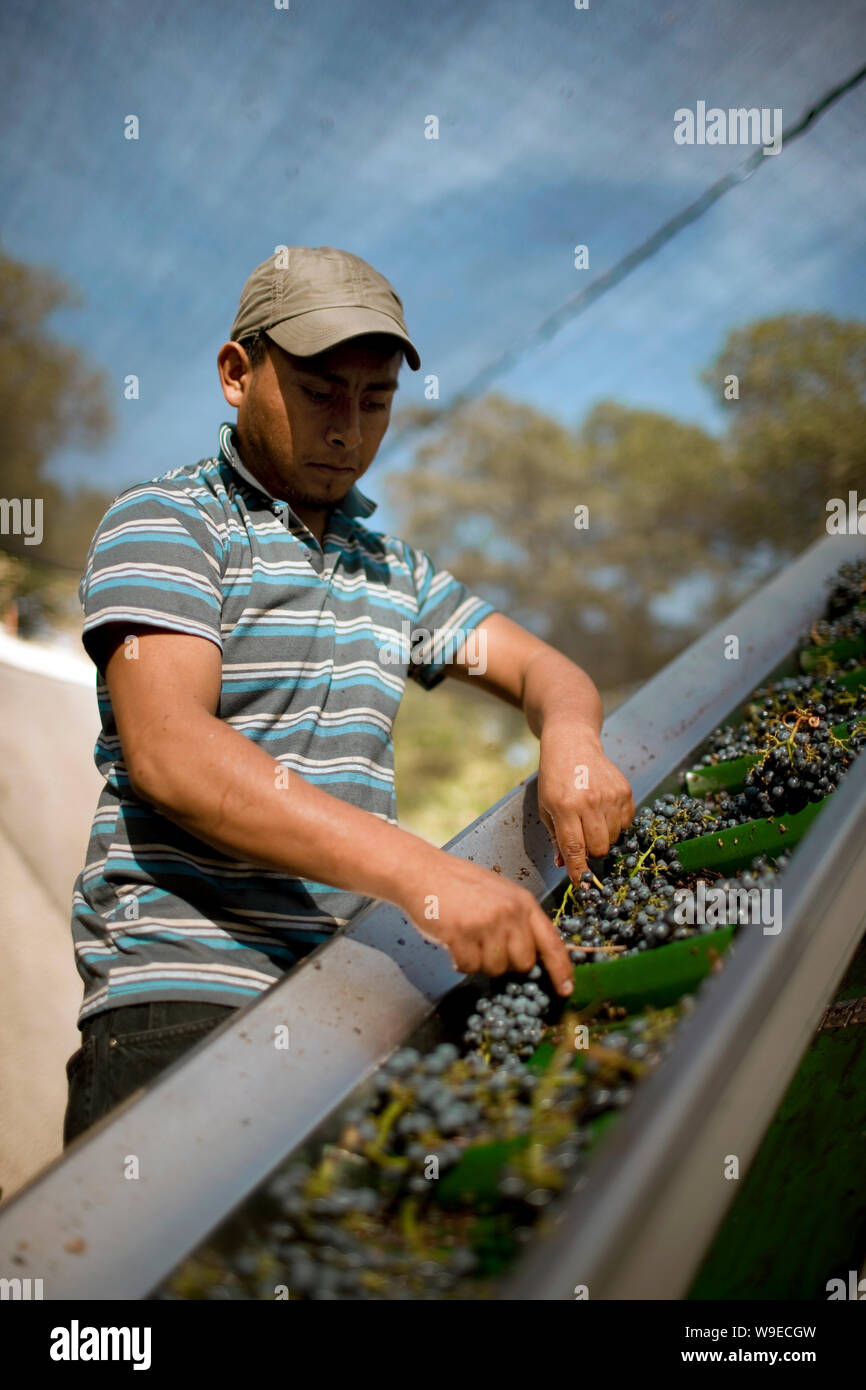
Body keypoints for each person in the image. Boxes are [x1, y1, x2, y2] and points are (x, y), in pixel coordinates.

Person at [63, 245, 634, 1145]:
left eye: (376, 403)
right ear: (236, 373)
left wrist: (572, 741)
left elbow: (546, 671)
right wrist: (426, 874)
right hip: (186, 1003)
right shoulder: (170, 523)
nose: (348, 429)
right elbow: (172, 752)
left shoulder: (391, 572)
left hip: (357, 1002)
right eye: (323, 392)